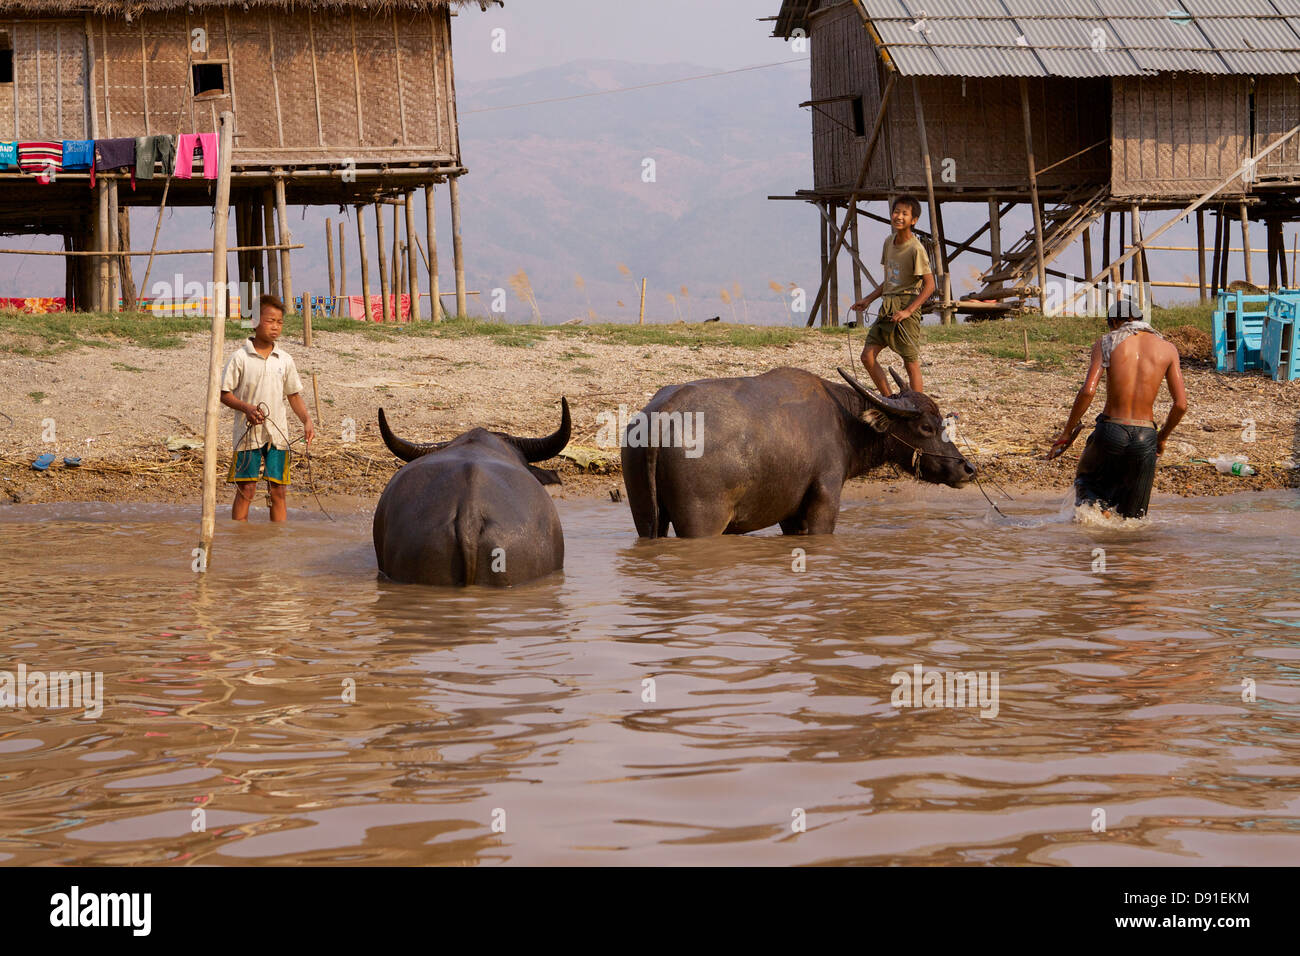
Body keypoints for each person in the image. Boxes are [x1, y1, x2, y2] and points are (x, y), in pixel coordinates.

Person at [1047, 299, 1188, 519]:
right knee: (1133, 518)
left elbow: (1088, 391)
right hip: (1146, 435)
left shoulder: (1107, 342)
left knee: (1087, 484)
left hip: (1111, 429)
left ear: (1114, 322)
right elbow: (1181, 405)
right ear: (1140, 319)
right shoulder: (1168, 349)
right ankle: (1126, 550)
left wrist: (1067, 432)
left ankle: (1099, 524)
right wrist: (1161, 437)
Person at [220, 295, 314, 521]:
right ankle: (240, 540)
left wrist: (306, 420)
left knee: (278, 491)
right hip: (247, 436)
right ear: (254, 321)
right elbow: (224, 394)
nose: (275, 327)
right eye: (270, 320)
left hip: (278, 436)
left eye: (279, 322)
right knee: (247, 490)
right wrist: (246, 408)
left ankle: (278, 541)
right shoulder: (240, 357)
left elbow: (293, 395)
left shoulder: (284, 359)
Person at [850, 195, 936, 395]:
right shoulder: (889, 242)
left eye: (905, 214)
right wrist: (868, 300)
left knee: (910, 362)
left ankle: (917, 408)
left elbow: (930, 285)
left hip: (907, 304)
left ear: (913, 220)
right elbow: (890, 280)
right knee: (867, 357)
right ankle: (889, 399)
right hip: (887, 306)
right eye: (896, 212)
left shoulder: (916, 249)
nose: (899, 216)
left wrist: (908, 311)